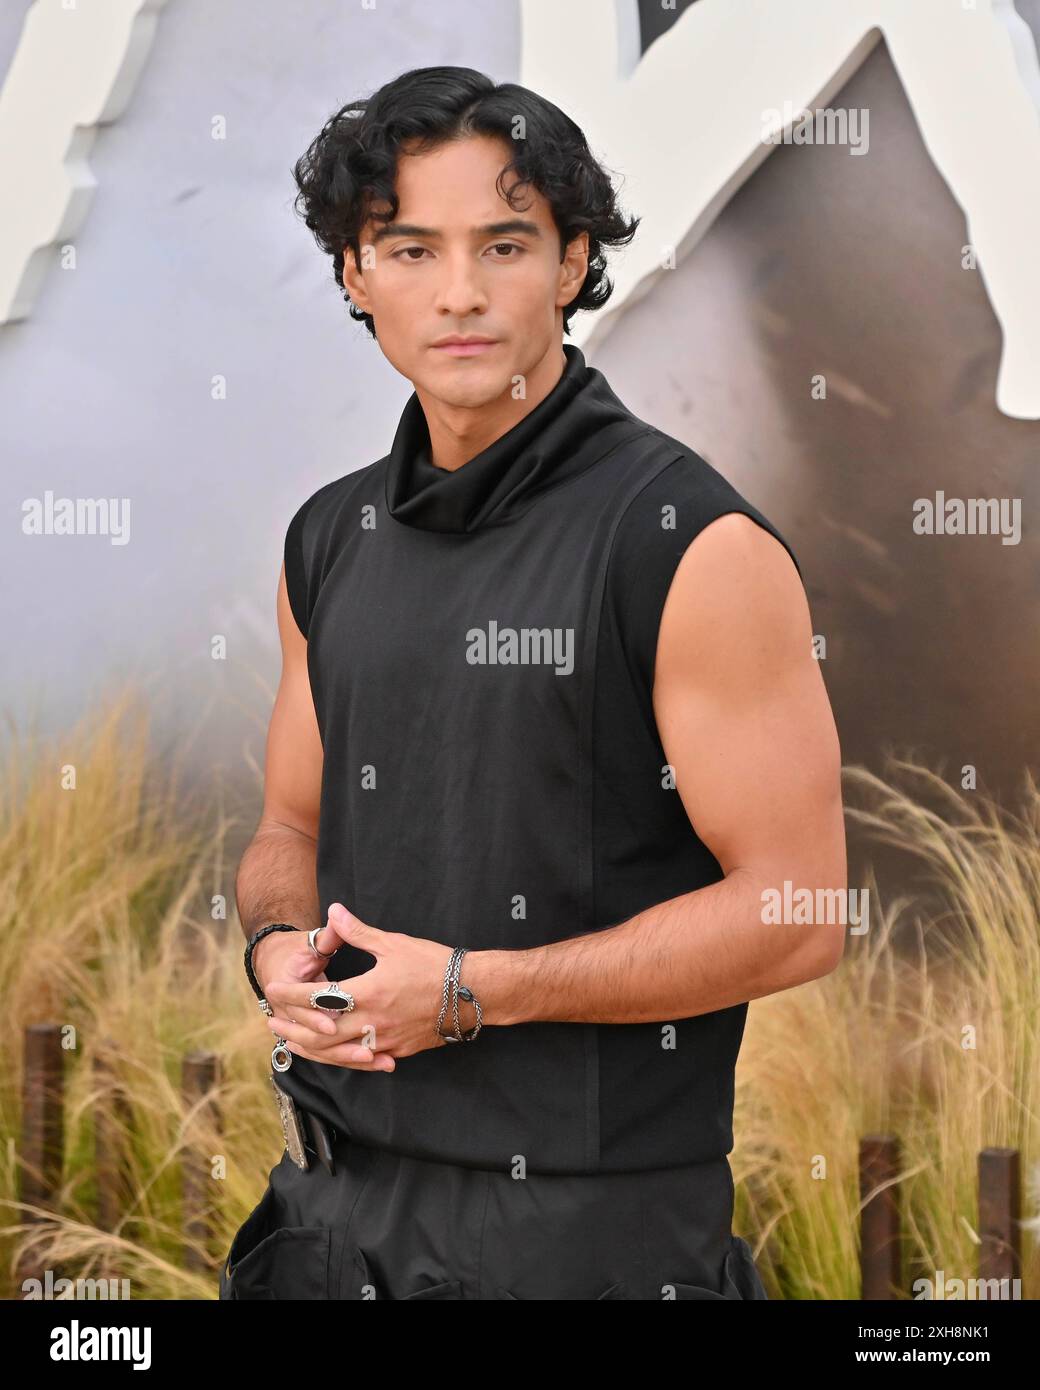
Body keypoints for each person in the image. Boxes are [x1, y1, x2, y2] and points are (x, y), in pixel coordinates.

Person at [219, 65, 846, 1301]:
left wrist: (469, 994)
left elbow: (799, 910)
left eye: (503, 244)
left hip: (584, 1243)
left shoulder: (685, 544)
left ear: (568, 264)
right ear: (354, 274)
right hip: (328, 1211)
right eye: (408, 248)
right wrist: (277, 947)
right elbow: (289, 827)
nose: (458, 293)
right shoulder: (326, 538)